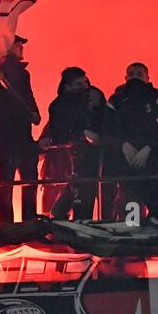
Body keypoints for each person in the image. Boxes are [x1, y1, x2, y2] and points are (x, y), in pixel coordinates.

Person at [0, 35, 41, 224]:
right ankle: (6, 224)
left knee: (29, 179)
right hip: (6, 137)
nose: (21, 48)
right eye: (18, 44)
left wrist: (35, 113)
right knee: (7, 181)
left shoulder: (23, 74)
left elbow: (28, 96)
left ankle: (29, 220)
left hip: (23, 135)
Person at [105, 62, 158, 223]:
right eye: (131, 74)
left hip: (154, 158)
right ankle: (131, 228)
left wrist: (149, 148)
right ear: (125, 77)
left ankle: (157, 224)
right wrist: (123, 146)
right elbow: (108, 127)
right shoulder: (116, 99)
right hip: (126, 160)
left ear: (148, 78)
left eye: (139, 74)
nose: (135, 77)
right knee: (130, 193)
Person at [38, 66, 104, 220]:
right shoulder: (58, 106)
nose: (85, 87)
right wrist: (82, 135)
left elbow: (105, 121)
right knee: (72, 200)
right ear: (68, 87)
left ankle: (77, 227)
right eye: (79, 84)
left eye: (85, 82)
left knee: (85, 197)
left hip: (91, 159)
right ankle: (67, 228)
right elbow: (57, 133)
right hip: (68, 162)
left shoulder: (94, 96)